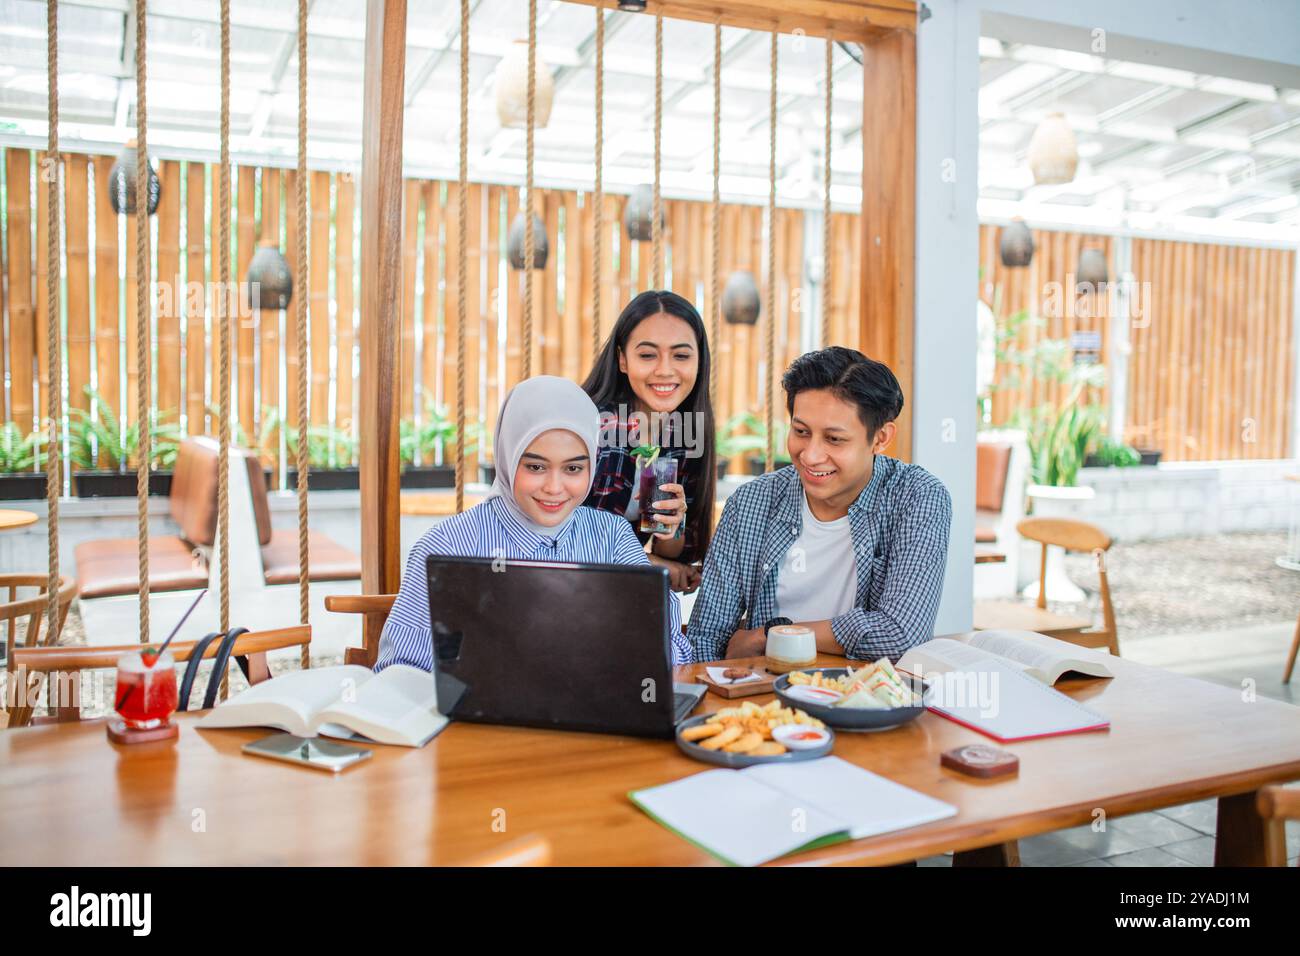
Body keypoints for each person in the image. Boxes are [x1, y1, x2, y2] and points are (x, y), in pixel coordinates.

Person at [376, 375, 691, 672]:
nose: (554, 488)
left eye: (573, 469)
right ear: (507, 457)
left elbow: (671, 646)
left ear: (593, 465)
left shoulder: (612, 538)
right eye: (536, 466)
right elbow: (401, 669)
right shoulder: (447, 546)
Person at [687, 347, 951, 663]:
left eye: (834, 439)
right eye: (801, 432)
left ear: (880, 438)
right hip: (763, 699)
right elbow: (705, 640)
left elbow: (900, 635)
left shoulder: (917, 498)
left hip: (864, 700)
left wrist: (771, 635)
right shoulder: (750, 503)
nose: (810, 455)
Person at [581, 290, 716, 594]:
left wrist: (671, 525)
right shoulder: (593, 425)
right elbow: (567, 540)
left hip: (618, 595)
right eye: (647, 355)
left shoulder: (682, 433)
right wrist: (648, 563)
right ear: (622, 360)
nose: (665, 369)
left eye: (681, 355)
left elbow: (677, 552)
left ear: (699, 361)